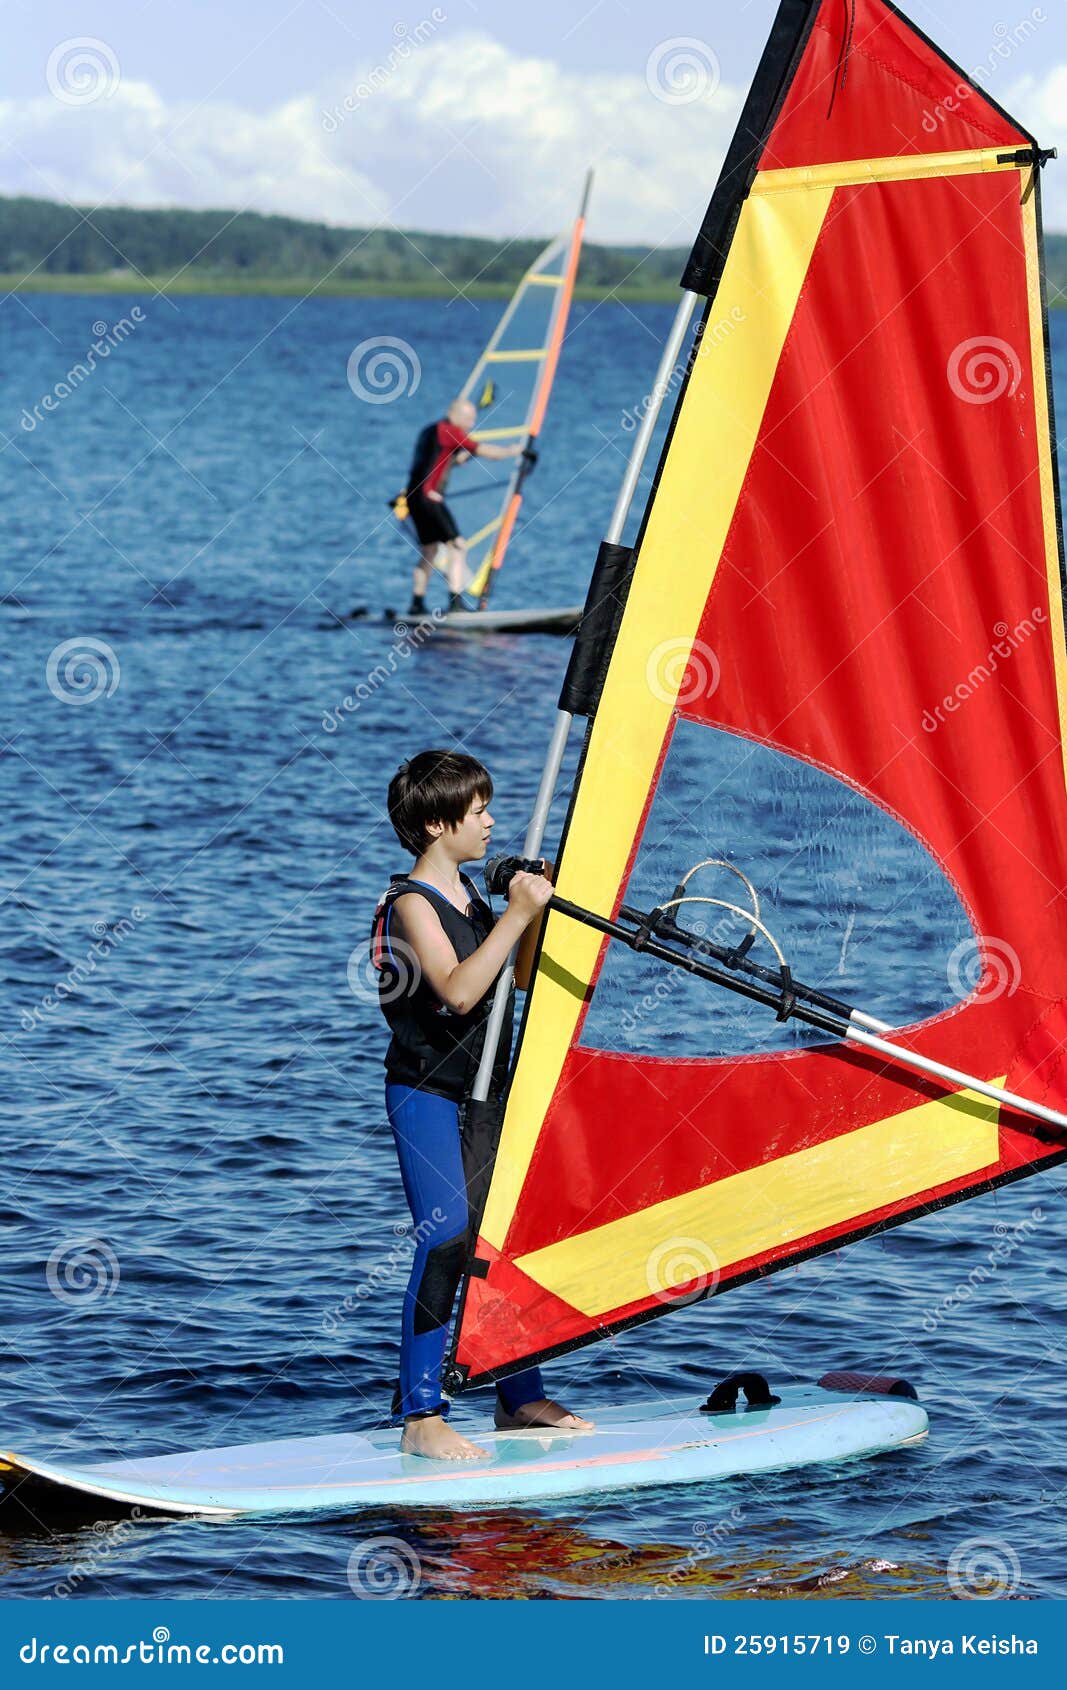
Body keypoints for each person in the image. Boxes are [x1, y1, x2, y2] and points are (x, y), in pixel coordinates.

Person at [370, 749, 593, 1460]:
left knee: (501, 1237)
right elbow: (459, 992)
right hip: (427, 1093)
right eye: (477, 811)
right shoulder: (410, 904)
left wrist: (533, 916)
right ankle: (420, 1416)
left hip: (487, 1093)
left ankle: (518, 1397)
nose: (491, 822)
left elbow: (514, 978)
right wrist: (516, 913)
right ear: (438, 825)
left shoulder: (471, 897)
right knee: (446, 1237)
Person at [403, 400, 522, 617]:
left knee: (430, 549)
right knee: (458, 546)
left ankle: (416, 604)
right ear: (453, 414)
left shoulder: (430, 430)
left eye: (473, 419)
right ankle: (455, 603)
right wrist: (514, 451)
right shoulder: (450, 431)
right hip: (429, 498)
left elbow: (440, 459)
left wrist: (461, 456)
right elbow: (488, 452)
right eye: (468, 419)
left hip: (413, 497)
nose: (471, 423)